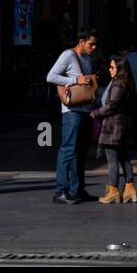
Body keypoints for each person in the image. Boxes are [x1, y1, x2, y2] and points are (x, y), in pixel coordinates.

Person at [46, 28, 99, 204]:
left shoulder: (88, 59)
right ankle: (60, 191)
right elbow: (51, 76)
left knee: (81, 152)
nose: (94, 47)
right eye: (91, 44)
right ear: (81, 42)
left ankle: (77, 190)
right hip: (72, 112)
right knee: (68, 150)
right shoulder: (68, 55)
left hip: (85, 110)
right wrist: (75, 80)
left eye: (95, 44)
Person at [91, 56, 137, 203]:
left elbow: (111, 106)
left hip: (113, 127)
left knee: (112, 161)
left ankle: (113, 191)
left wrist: (95, 113)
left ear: (120, 69)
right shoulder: (126, 83)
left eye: (112, 67)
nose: (109, 70)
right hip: (121, 126)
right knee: (124, 158)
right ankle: (129, 189)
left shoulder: (118, 84)